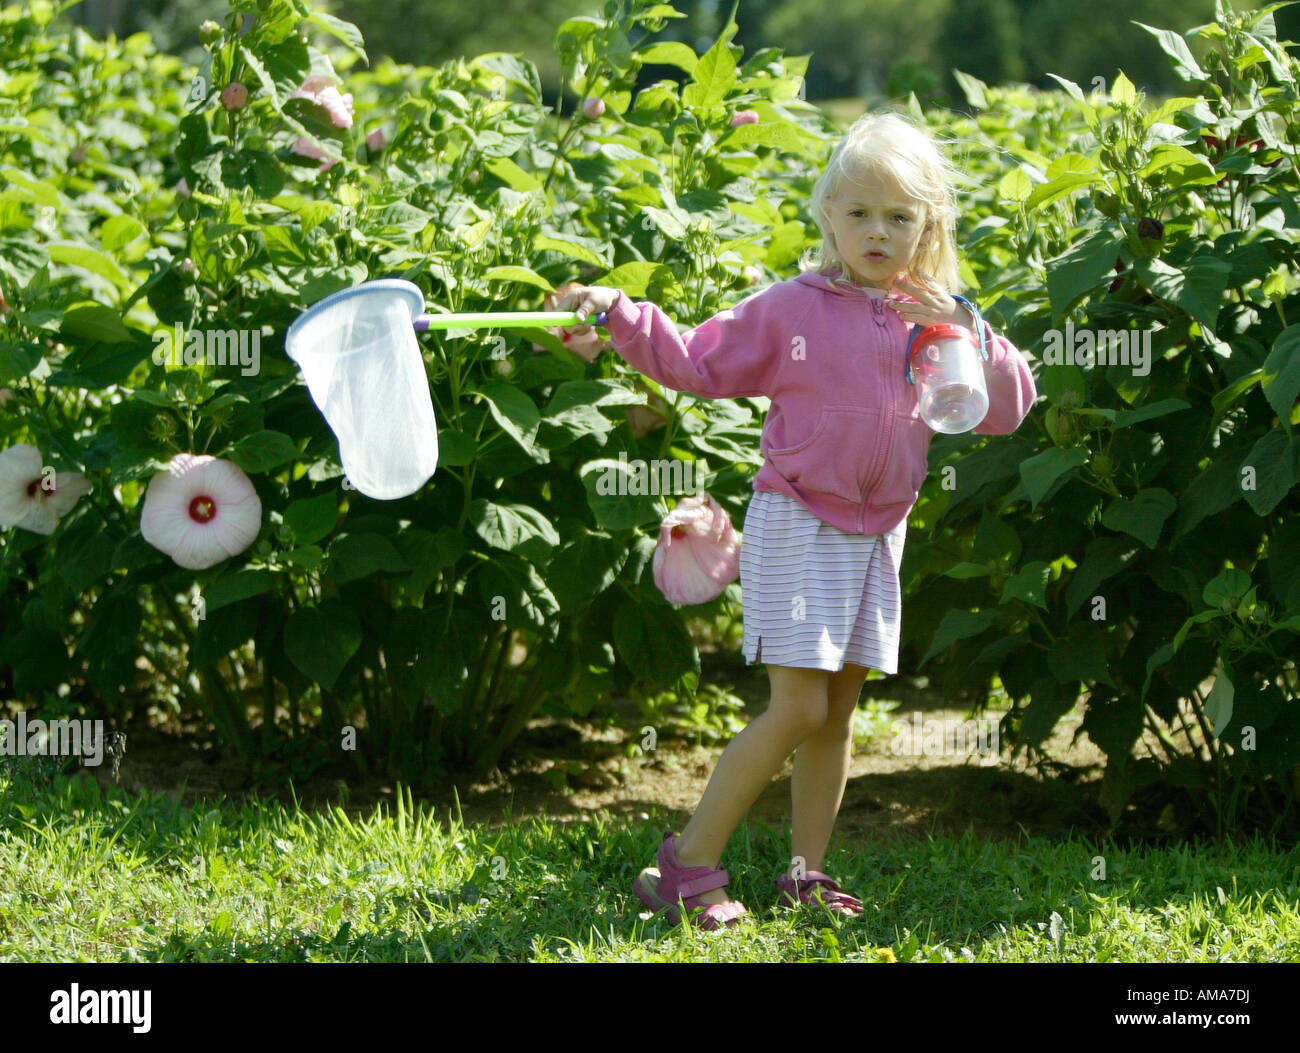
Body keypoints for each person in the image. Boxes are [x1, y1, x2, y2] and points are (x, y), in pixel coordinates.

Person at [556, 110, 1037, 929]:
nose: (877, 232)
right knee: (799, 708)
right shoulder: (794, 309)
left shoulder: (936, 320)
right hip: (798, 521)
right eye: (859, 213)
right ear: (829, 218)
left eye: (899, 216)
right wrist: (620, 314)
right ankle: (686, 865)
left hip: (879, 532)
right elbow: (699, 361)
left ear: (929, 224)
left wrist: (966, 325)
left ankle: (806, 874)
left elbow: (1007, 409)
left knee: (838, 712)